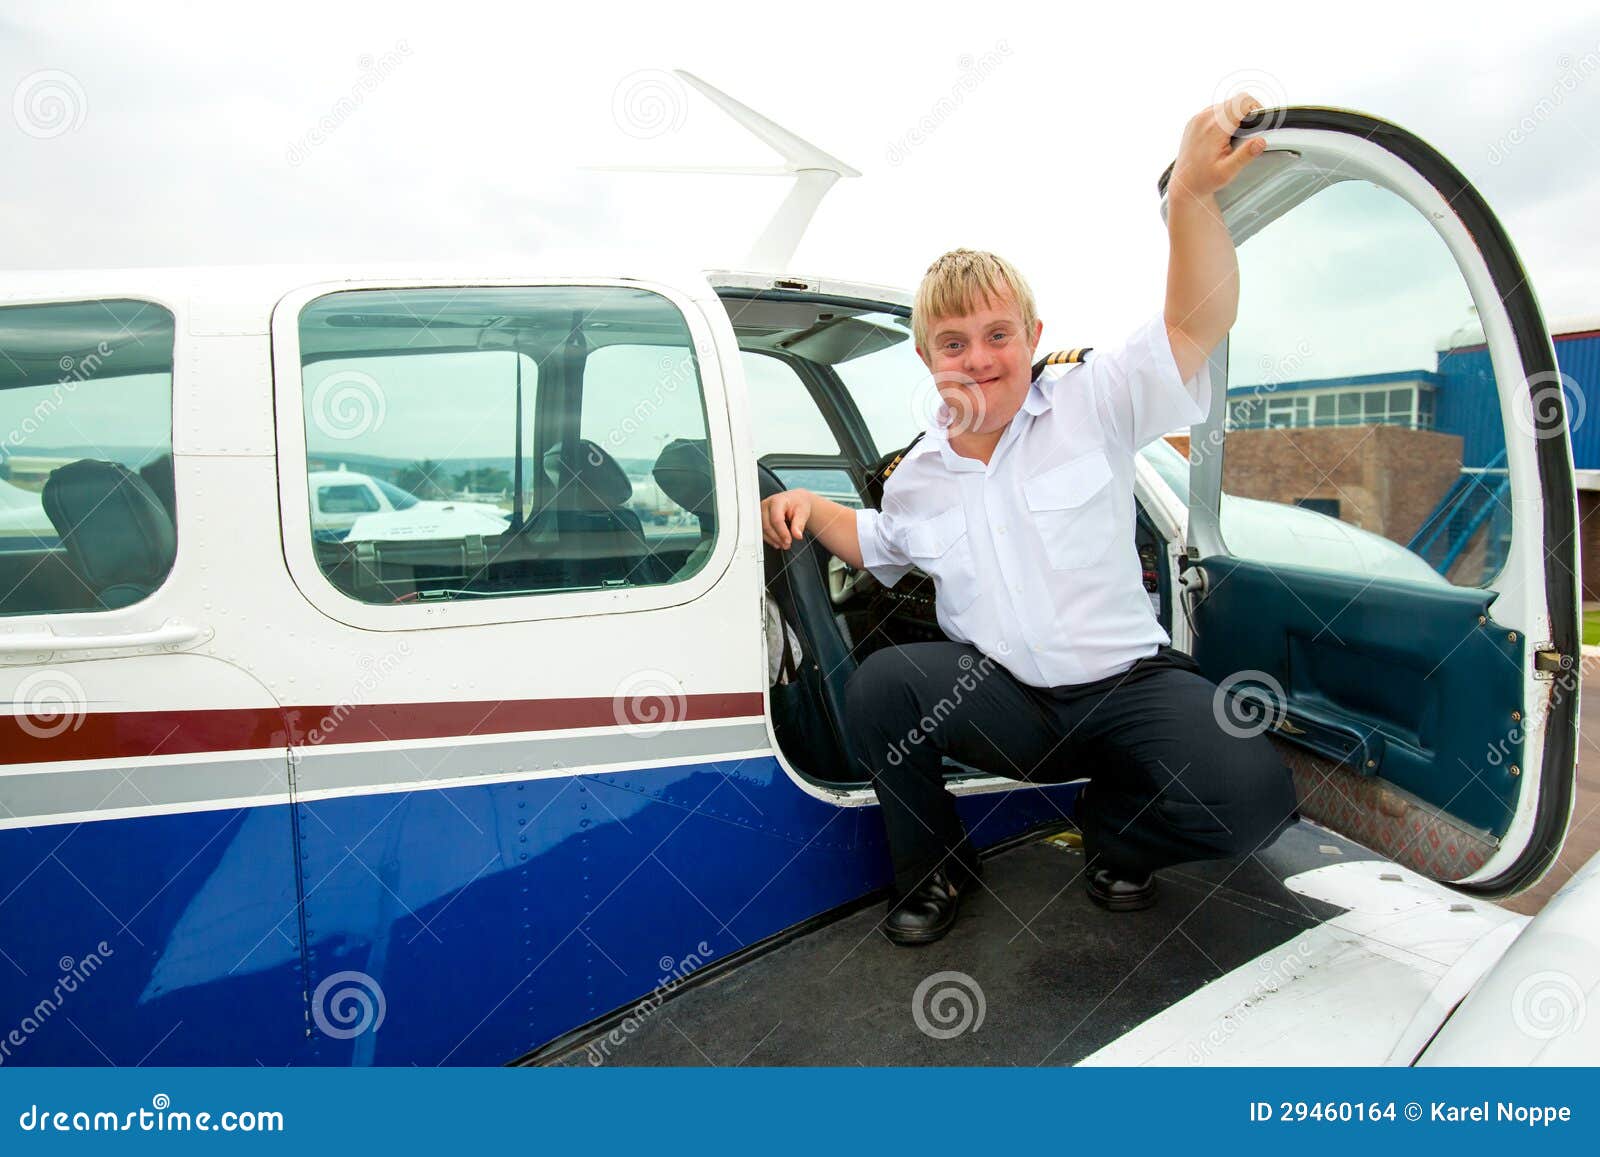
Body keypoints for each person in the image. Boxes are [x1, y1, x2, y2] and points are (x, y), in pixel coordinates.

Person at [759, 96, 1299, 945]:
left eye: (997, 334)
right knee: (881, 685)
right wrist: (809, 504)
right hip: (1003, 699)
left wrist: (1190, 200)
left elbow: (1196, 325)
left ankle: (1117, 834)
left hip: (1128, 687)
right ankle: (937, 867)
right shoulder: (915, 478)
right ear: (926, 355)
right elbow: (876, 544)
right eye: (953, 341)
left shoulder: (1095, 398)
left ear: (1033, 335)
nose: (978, 357)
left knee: (1257, 798)